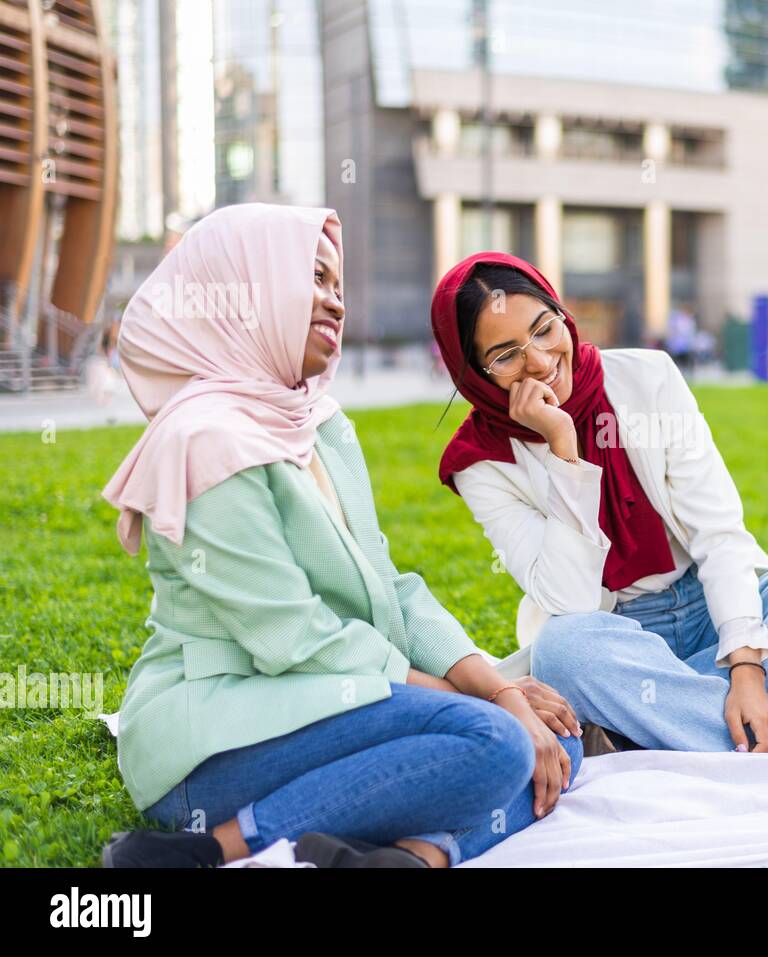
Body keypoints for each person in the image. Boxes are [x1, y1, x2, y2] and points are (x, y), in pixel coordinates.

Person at [99, 204, 582, 868]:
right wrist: (484, 700)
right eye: (311, 280)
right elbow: (291, 637)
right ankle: (211, 848)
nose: (332, 301)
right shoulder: (202, 441)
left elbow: (393, 588)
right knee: (501, 742)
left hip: (335, 697)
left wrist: (499, 685)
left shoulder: (319, 422)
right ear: (249, 292)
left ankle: (412, 858)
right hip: (217, 743)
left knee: (557, 731)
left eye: (336, 285)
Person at [429, 251, 768, 756]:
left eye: (544, 329)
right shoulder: (479, 461)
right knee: (562, 653)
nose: (542, 362)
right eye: (506, 355)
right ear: (474, 374)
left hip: (708, 600)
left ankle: (651, 719)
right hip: (616, 634)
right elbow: (568, 600)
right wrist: (562, 451)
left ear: (561, 313)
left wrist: (746, 667)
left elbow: (718, 533)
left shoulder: (648, 377)